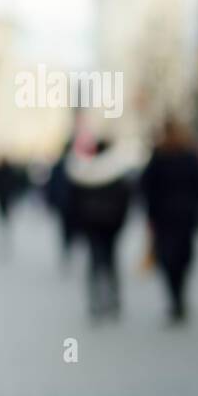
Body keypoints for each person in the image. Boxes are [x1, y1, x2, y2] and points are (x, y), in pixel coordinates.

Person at [139, 118, 198, 323]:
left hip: (168, 218)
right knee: (180, 258)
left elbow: (146, 188)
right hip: (180, 217)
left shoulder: (162, 157)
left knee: (171, 259)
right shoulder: (184, 157)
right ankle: (178, 297)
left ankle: (176, 298)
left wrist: (151, 214)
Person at [67, 137, 136, 320]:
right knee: (111, 262)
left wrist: (79, 224)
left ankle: (96, 301)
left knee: (95, 263)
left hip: (92, 226)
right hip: (111, 226)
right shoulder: (117, 174)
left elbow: (75, 202)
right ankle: (113, 300)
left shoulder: (86, 172)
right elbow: (125, 201)